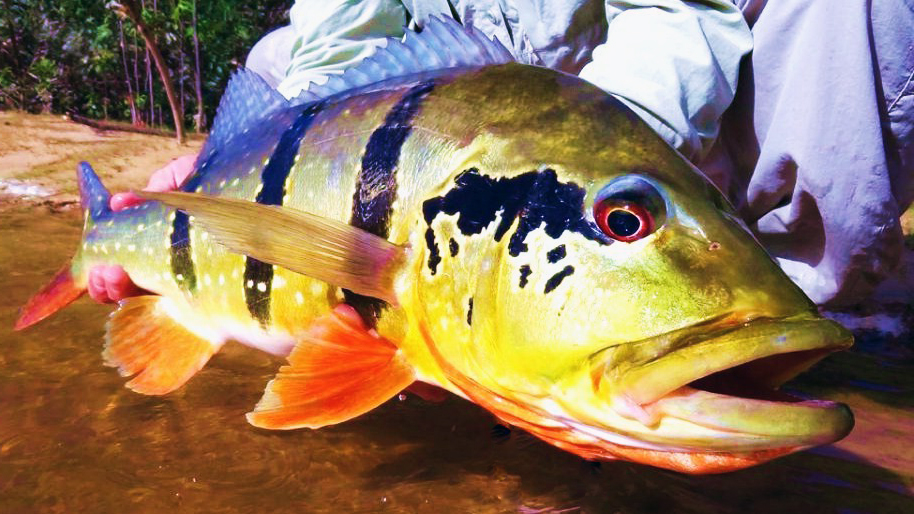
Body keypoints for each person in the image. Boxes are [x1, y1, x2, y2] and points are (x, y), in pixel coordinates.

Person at [90, 0, 914, 308]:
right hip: (458, 132)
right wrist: (244, 168)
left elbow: (678, 17)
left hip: (652, 131)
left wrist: (585, 170)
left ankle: (792, 303)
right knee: (281, 61)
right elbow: (337, 42)